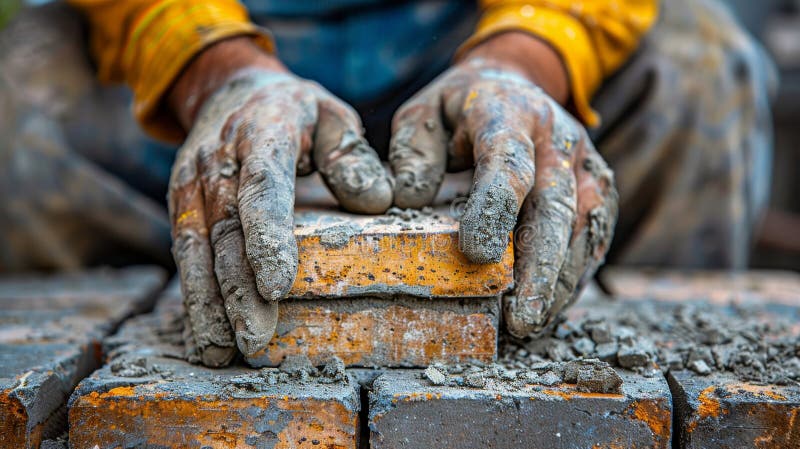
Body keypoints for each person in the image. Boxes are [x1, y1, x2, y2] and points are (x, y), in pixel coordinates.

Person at [0, 0, 775, 366]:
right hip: (202, 32)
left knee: (704, 77)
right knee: (18, 126)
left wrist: (526, 59)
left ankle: (632, 345)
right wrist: (218, 77)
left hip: (469, 25)